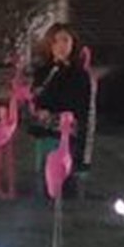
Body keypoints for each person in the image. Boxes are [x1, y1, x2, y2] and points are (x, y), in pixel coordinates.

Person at [28, 22, 95, 200]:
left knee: (63, 175)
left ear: (73, 44)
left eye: (65, 40)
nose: (61, 46)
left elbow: (80, 107)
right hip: (44, 132)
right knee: (44, 176)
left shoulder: (79, 75)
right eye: (56, 41)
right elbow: (37, 97)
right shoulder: (44, 72)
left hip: (65, 132)